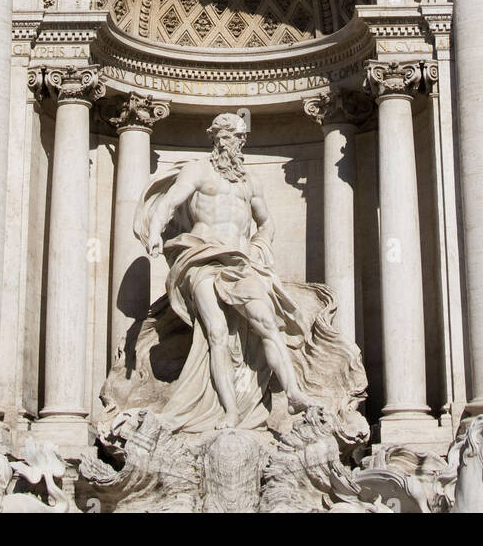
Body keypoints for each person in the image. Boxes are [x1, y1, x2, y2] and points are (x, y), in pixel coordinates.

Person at [136, 111, 360, 431]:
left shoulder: (249, 181)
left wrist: (259, 246)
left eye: (241, 139)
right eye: (234, 137)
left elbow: (266, 222)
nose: (239, 144)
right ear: (219, 138)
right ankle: (229, 411)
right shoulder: (198, 171)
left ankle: (294, 393)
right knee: (216, 334)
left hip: (240, 262)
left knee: (268, 322)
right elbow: (169, 203)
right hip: (201, 259)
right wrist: (156, 232)